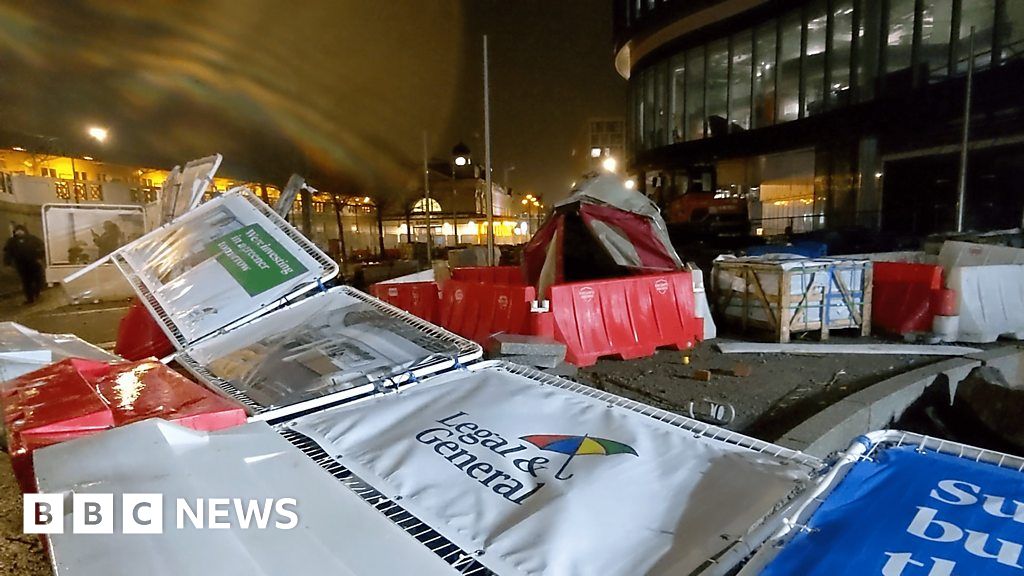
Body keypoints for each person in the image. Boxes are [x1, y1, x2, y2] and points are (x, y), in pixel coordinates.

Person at [3, 224, 46, 304]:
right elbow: (8, 252)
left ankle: (37, 292)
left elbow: (42, 247)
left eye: (20, 230)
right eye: (17, 231)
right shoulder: (12, 241)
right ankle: (30, 298)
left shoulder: (33, 239)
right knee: (26, 281)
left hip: (34, 263)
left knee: (37, 279)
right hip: (21, 264)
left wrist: (40, 257)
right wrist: (7, 262)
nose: (19, 232)